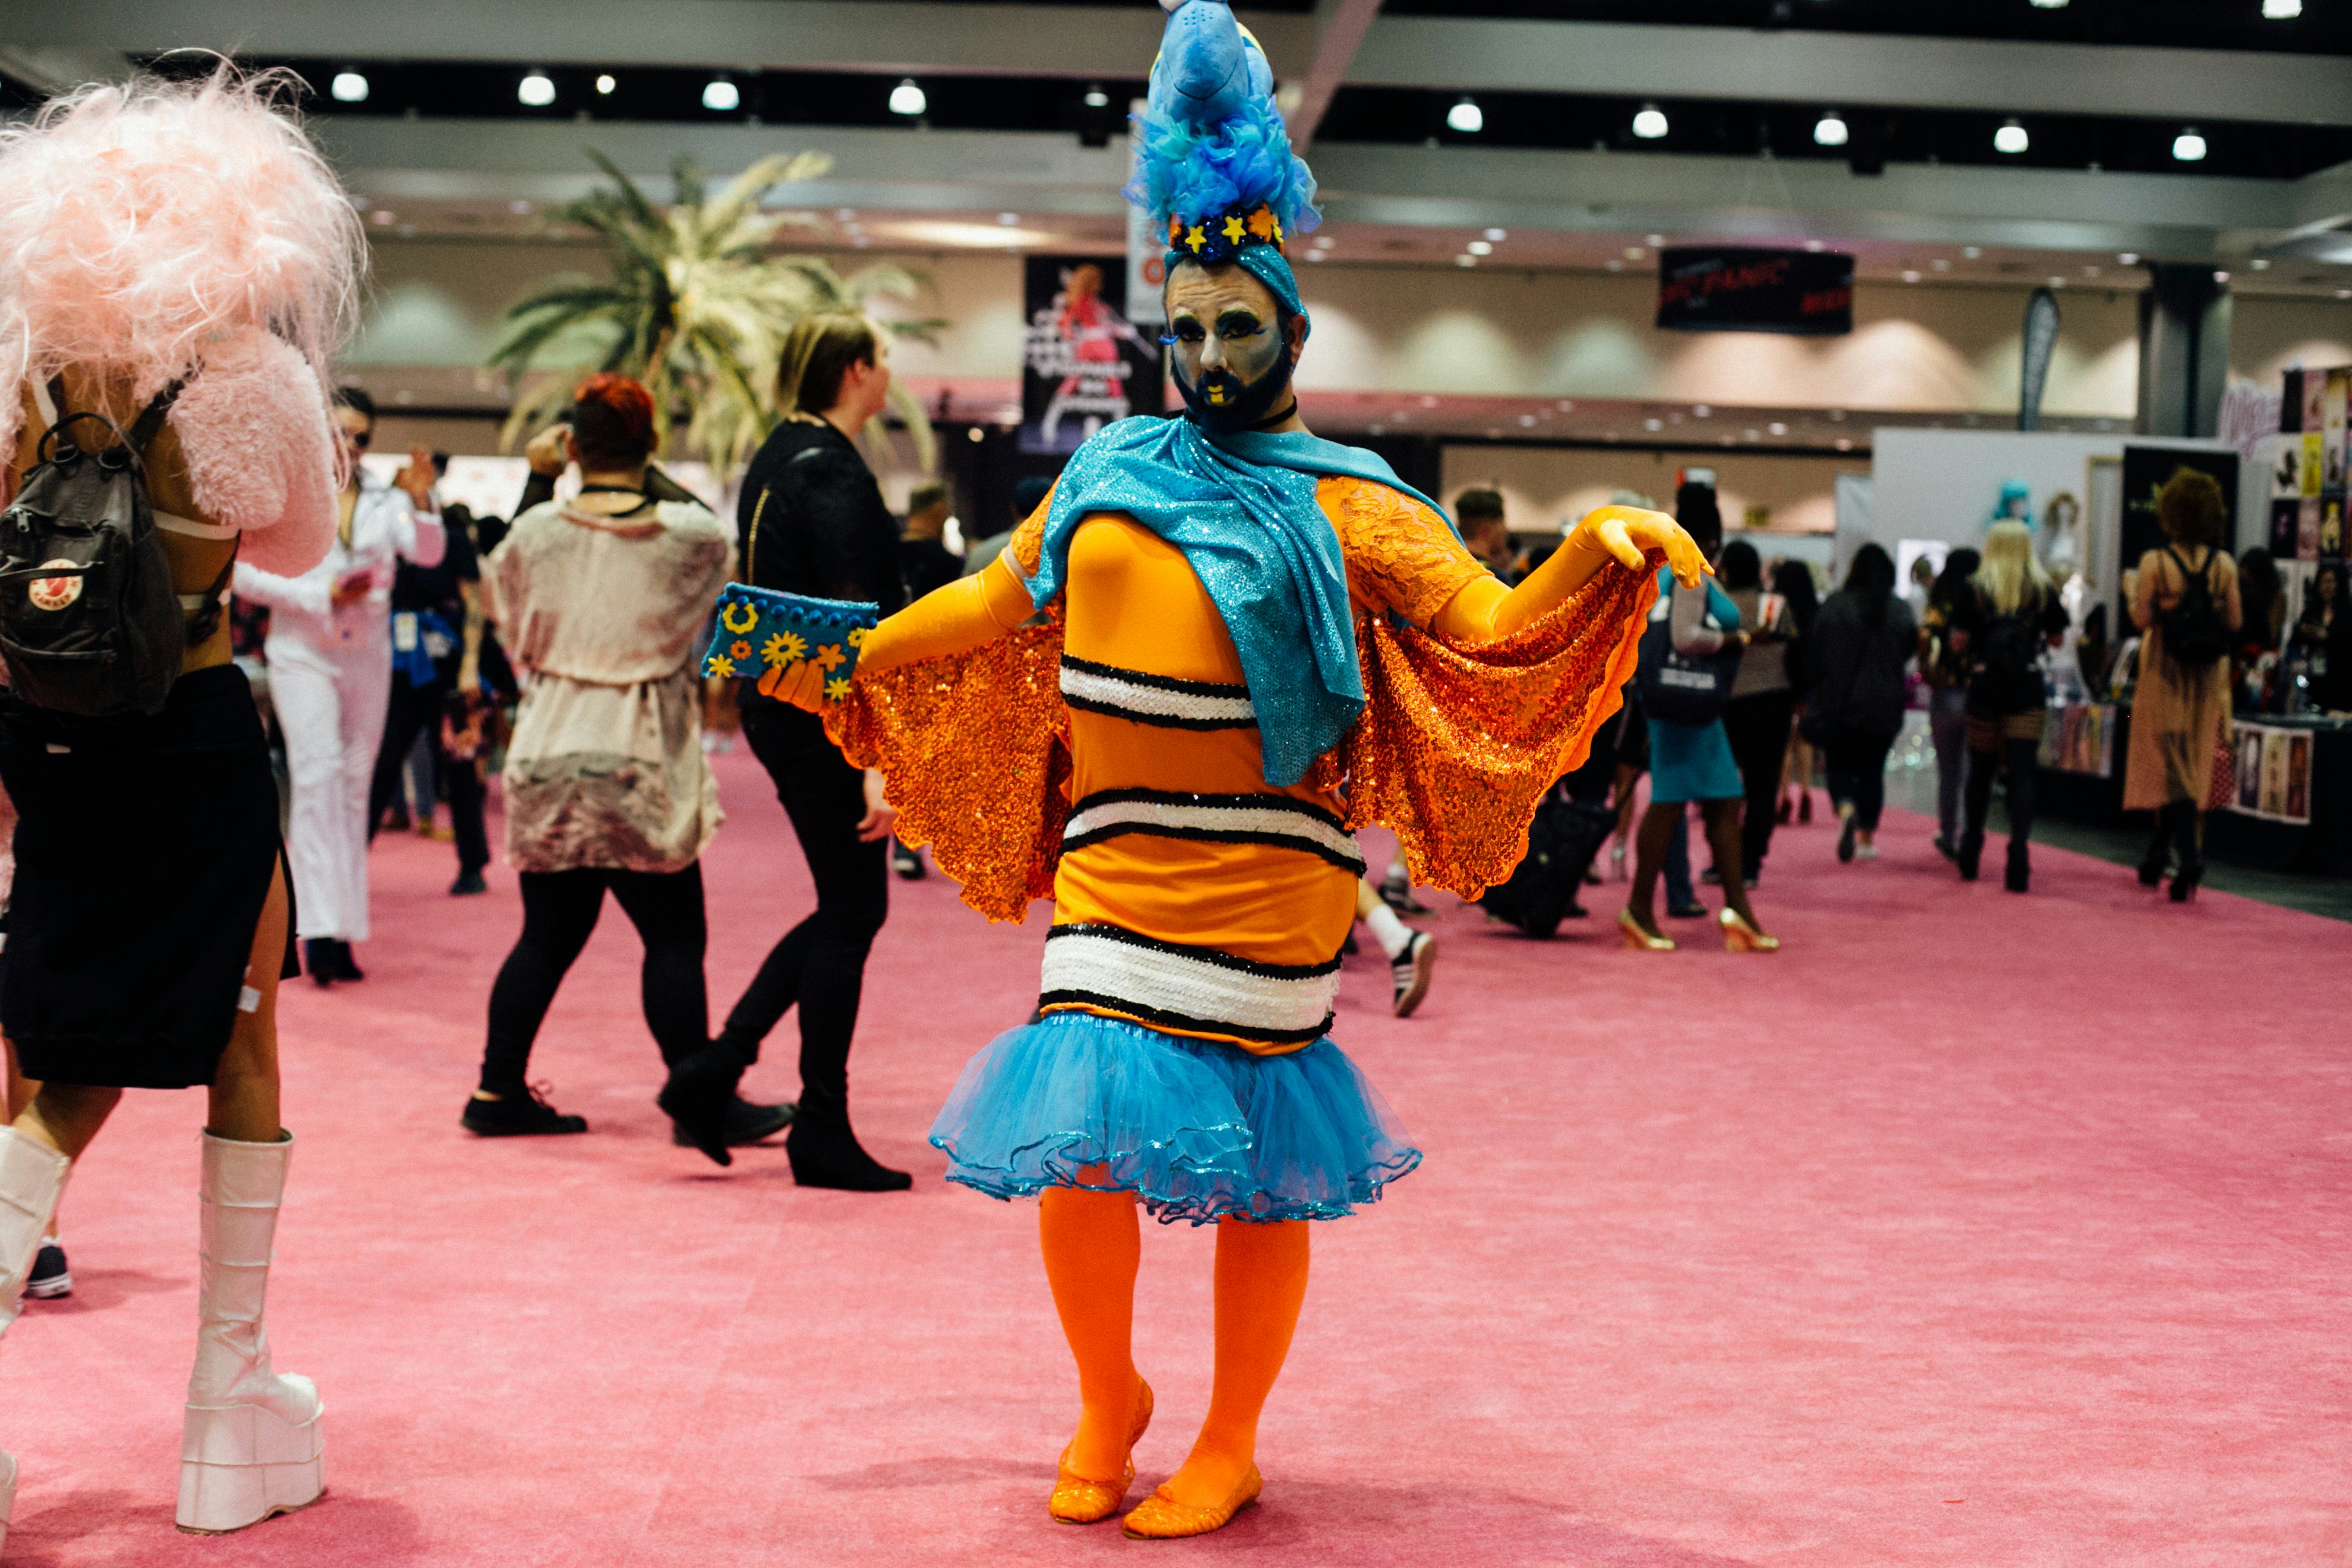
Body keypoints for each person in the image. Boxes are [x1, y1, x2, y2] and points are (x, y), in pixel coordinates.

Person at [670, 4, 1700, 1535]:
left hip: (1269, 875)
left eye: (1239, 326)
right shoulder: (1107, 465)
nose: (1209, 355)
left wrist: (1588, 556)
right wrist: (836, 653)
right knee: (1079, 1138)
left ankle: (1228, 1434)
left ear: (1291, 329)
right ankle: (1107, 1395)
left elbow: (1485, 621)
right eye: (1189, 326)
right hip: (1110, 861)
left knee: (1256, 1167)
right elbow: (982, 602)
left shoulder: (1354, 500)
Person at [0, 64, 362, 1540]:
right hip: (194, 730)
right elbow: (295, 543)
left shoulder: (21, 376)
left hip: (46, 735)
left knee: (60, 1030)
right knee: (242, 1021)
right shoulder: (247, 375)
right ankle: (229, 1415)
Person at [461, 375, 750, 1143]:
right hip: (637, 751)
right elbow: (703, 534)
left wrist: (545, 477)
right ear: (651, 445)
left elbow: (510, 605)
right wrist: (627, 461)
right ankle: (698, 1099)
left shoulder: (536, 533)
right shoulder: (689, 537)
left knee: (546, 937)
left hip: (549, 744)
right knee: (674, 938)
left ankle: (495, 1092)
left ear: (574, 446)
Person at [681, 310, 913, 1190]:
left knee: (845, 908)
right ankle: (815, 1120)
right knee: (854, 911)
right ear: (855, 369)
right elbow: (862, 630)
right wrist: (877, 760)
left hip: (782, 706)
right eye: (882, 359)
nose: (889, 375)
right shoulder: (834, 474)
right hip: (821, 718)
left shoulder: (781, 453)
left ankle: (717, 1072)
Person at [233, 385, 445, 985]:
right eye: (339, 431)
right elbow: (243, 571)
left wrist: (425, 499)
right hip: (303, 651)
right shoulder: (289, 491)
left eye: (360, 435)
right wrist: (316, 594)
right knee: (318, 783)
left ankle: (344, 932)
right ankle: (314, 932)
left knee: (356, 790)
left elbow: (428, 555)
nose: (349, 444)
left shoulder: (387, 495)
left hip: (368, 655)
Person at [1621, 484, 1774, 951]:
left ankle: (1736, 909)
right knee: (1671, 803)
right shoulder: (1690, 570)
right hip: (1687, 707)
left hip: (1682, 706)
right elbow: (1688, 638)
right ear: (1711, 534)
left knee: (1725, 799)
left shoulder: (1665, 569)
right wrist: (1741, 639)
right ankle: (1641, 910)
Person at [2124, 470, 2242, 900]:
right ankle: (2159, 854)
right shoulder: (2224, 565)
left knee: (2170, 763)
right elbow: (2235, 622)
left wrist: (2137, 595)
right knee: (2190, 762)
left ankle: (2188, 857)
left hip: (2165, 670)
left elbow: (2141, 620)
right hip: (2206, 674)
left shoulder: (2156, 562)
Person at [367, 495, 492, 894]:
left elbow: (474, 606)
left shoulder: (452, 542)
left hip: (449, 670)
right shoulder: (390, 544)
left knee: (459, 767)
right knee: (384, 763)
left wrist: (471, 665)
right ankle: (350, 861)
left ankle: (472, 865)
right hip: (402, 669)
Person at [1949, 522, 2068, 891]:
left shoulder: (1975, 588)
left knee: (1980, 771)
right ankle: (2018, 856)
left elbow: (1958, 641)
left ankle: (1970, 850)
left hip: (1985, 688)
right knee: (2023, 773)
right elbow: (2058, 638)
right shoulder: (2041, 588)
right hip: (2026, 688)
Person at [1803, 544, 1917, 865]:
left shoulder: (1835, 606)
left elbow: (1816, 649)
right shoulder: (1900, 610)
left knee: (1838, 764)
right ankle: (1867, 836)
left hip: (1840, 702)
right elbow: (1908, 651)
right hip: (1885, 704)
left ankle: (1845, 807)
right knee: (1873, 770)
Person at [1715, 539, 1796, 887]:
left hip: (1728, 703)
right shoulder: (1776, 605)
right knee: (1764, 786)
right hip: (1775, 701)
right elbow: (1793, 648)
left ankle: (1722, 860)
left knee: (1722, 785)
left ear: (1727, 570)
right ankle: (1750, 864)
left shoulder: (1720, 605)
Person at [1917, 547, 1983, 858]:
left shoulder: (1940, 604)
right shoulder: (1982, 601)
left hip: (1946, 694)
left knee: (1949, 772)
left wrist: (1929, 675)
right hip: (1977, 693)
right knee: (1973, 771)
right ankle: (1971, 833)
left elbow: (1925, 638)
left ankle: (1948, 833)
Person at [1771, 558, 1822, 826]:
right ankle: (1805, 792)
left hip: (1781, 681)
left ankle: (1784, 798)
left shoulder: (1778, 609)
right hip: (1808, 683)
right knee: (1804, 741)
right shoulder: (1815, 611)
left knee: (1784, 744)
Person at [898, 480, 962, 600]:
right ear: (939, 508)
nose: (948, 515)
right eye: (947, 509)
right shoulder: (948, 564)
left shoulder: (884, 555)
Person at [1455, 488, 1522, 580]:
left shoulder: (1450, 570)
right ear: (1485, 531)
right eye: (1502, 526)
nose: (1506, 532)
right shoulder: (1495, 578)